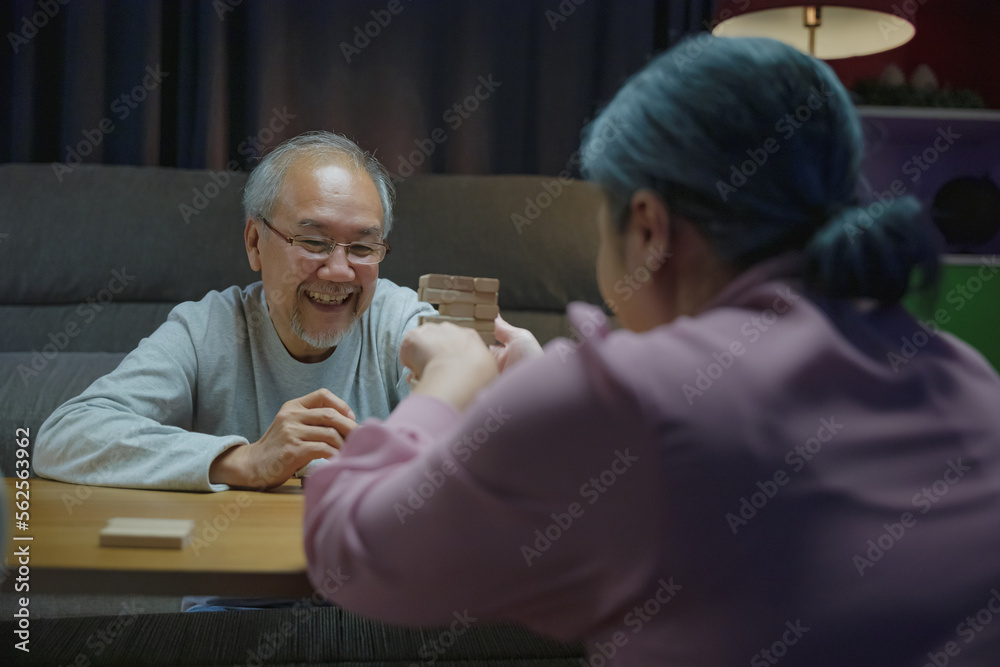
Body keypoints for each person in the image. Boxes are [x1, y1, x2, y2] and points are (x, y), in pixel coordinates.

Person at [302, 37, 1000, 665]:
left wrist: (449, 382)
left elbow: (349, 555)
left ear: (647, 227)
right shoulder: (967, 377)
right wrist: (547, 382)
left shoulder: (627, 400)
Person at [34, 132, 436, 491]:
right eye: (314, 241)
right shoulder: (207, 330)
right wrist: (246, 460)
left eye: (363, 248)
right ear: (254, 242)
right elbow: (65, 438)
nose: (339, 271)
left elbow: (467, 422)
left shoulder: (398, 320)